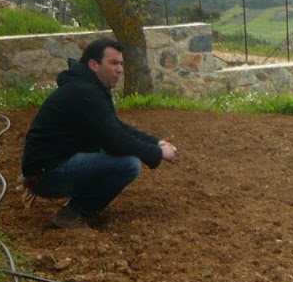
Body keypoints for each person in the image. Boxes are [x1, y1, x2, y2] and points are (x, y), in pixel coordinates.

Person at [22, 37, 178, 229]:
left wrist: (156, 142)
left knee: (117, 155)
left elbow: (115, 126)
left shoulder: (89, 88)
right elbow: (115, 140)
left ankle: (79, 204)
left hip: (51, 165)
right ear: (94, 65)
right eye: (113, 63)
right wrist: (156, 153)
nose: (119, 69)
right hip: (46, 173)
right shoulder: (85, 92)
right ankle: (72, 213)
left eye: (120, 63)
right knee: (128, 165)